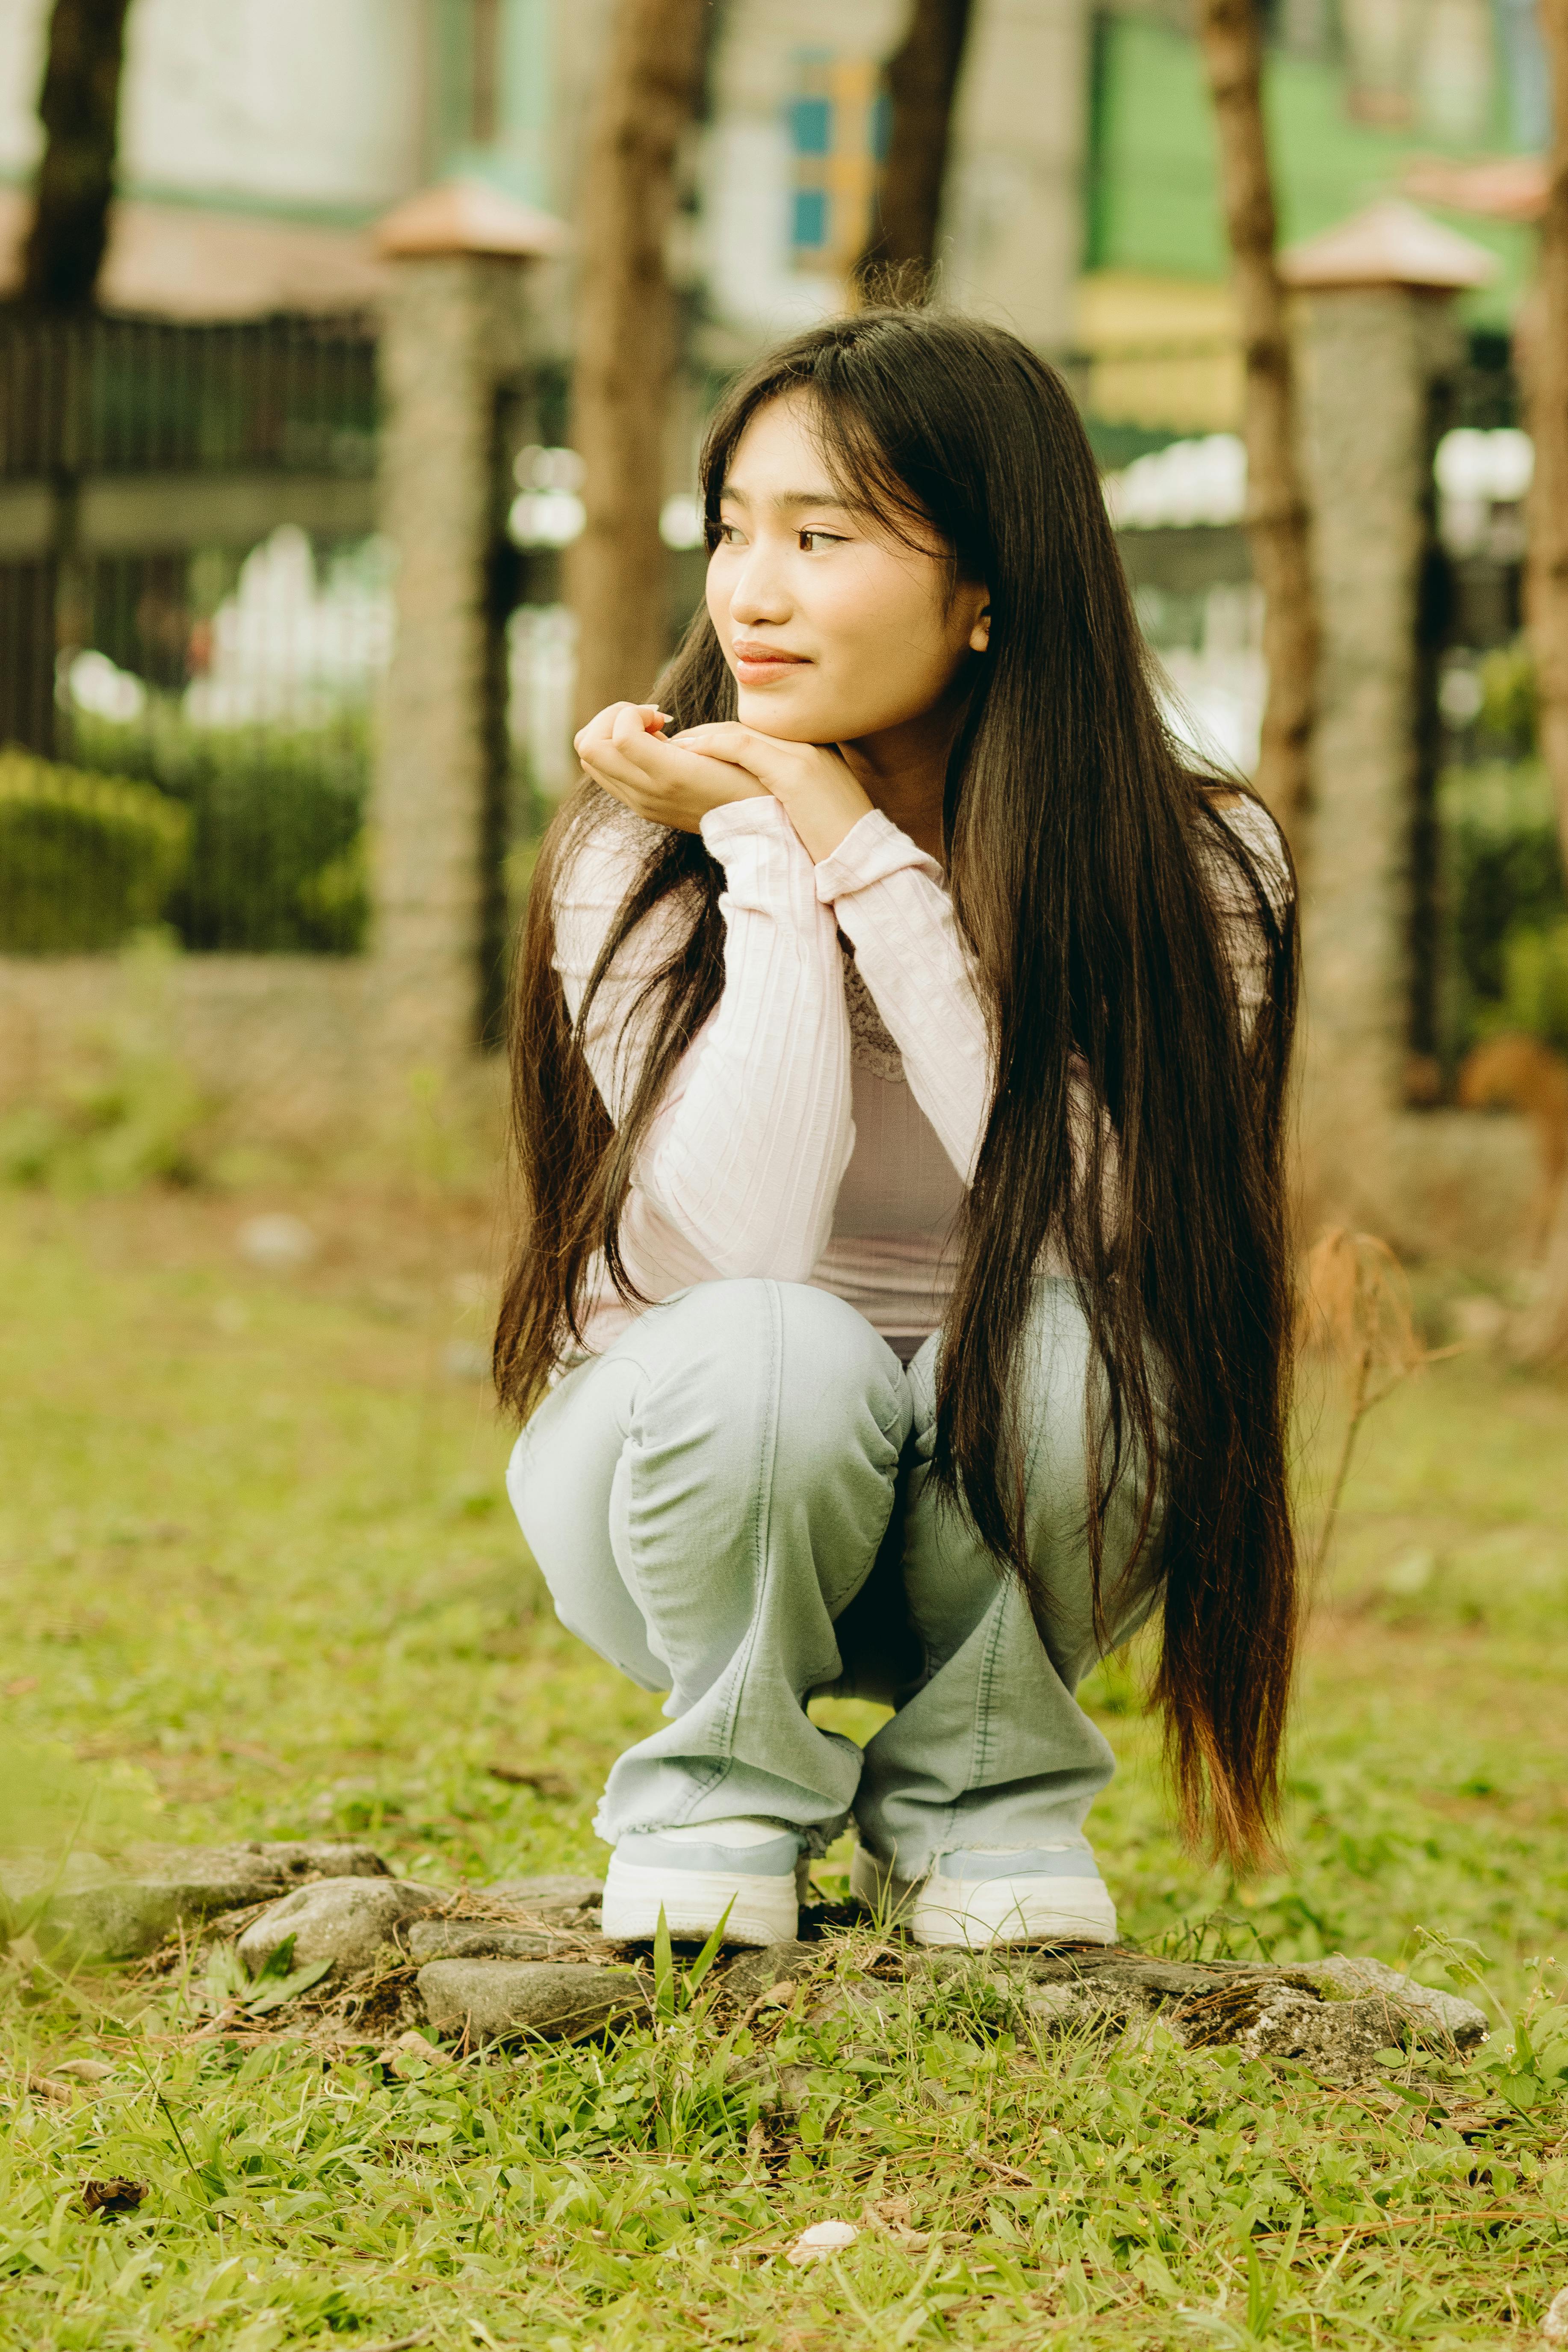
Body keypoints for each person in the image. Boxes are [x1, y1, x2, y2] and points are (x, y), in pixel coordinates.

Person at [495, 308, 1299, 1952]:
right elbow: (733, 1255)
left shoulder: (1197, 869)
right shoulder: (636, 852)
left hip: (1037, 1491)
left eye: (823, 537)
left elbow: (1094, 1218)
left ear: (989, 583)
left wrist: (860, 848)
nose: (750, 593)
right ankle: (715, 1792)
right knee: (773, 1346)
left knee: (1077, 1335)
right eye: (731, 531)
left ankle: (981, 1796)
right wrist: (768, 860)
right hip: (687, 1477)